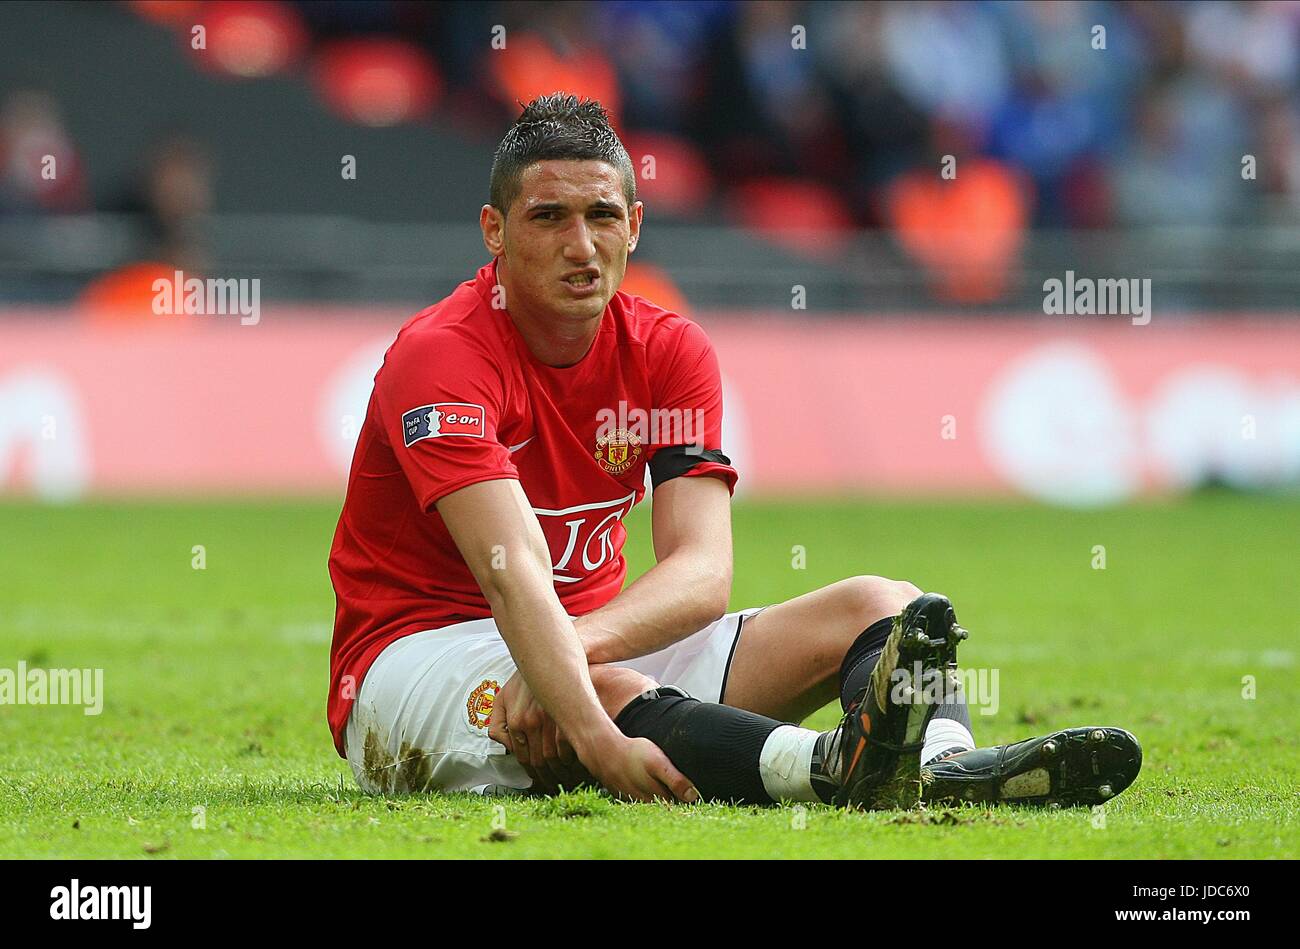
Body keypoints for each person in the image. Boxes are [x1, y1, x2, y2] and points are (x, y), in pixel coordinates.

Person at [327, 93, 1141, 809]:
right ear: (494, 231)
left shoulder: (670, 351)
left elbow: (701, 573)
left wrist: (565, 654)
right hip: (415, 660)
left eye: (602, 215)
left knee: (882, 602)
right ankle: (829, 768)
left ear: (635, 226)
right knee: (604, 691)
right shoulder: (442, 354)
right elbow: (509, 566)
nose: (581, 244)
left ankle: (944, 765)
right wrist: (590, 725)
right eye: (549, 218)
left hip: (591, 636)